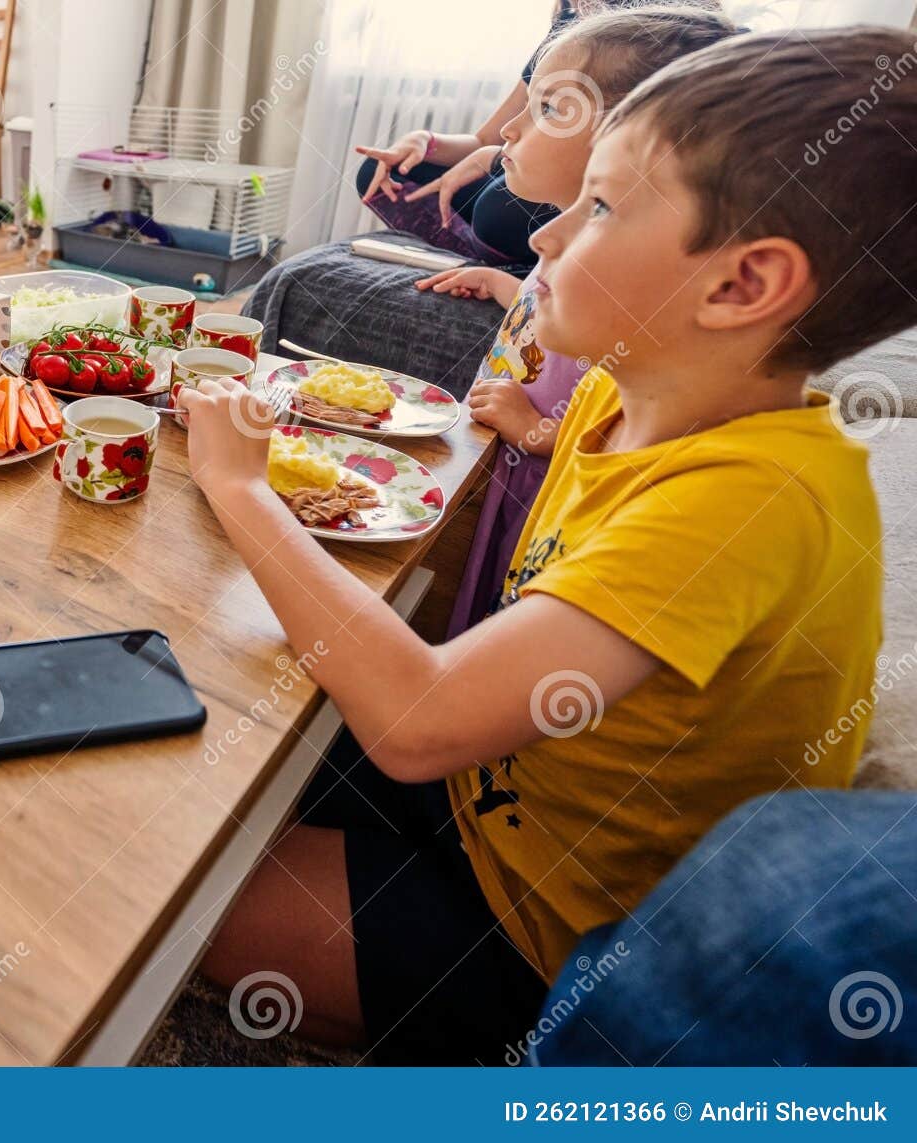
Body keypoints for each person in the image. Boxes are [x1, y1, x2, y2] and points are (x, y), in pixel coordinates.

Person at [177, 24, 913, 1063]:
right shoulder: (619, 385)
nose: (542, 236)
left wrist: (240, 487)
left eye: (601, 207)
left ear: (741, 286)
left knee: (185, 901)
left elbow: (418, 722)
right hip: (496, 802)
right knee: (214, 738)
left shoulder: (757, 501)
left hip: (553, 932)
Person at [411, 6, 737, 639]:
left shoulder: (638, 273)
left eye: (550, 110)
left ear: (632, 140)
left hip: (542, 488)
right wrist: (511, 288)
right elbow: (569, 336)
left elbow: (646, 439)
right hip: (500, 463)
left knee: (502, 614)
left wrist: (538, 434)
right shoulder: (569, 239)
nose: (506, 129)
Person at [353, 0, 619, 265]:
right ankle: (483, 254)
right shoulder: (567, 21)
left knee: (497, 209)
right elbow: (487, 138)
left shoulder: (638, 37)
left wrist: (492, 158)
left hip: (577, 184)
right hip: (520, 164)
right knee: (381, 170)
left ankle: (505, 261)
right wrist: (426, 141)